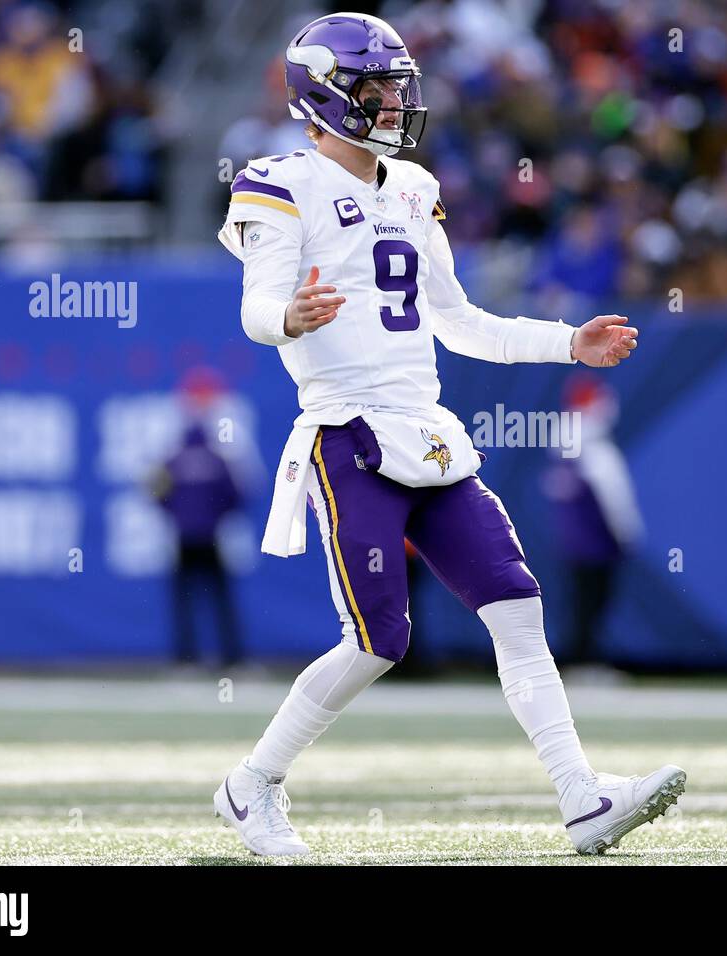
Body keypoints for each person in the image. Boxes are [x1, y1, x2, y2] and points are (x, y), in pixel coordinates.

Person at [211, 13, 684, 857]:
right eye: (374, 87)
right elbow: (254, 307)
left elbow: (459, 322)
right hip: (348, 431)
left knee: (517, 604)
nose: (393, 100)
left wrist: (565, 341)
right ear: (324, 95)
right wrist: (286, 316)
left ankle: (581, 797)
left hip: (427, 433)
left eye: (396, 84)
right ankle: (251, 786)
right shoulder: (281, 182)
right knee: (377, 641)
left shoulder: (413, 187)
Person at [541, 373, 643, 679]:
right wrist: (627, 534)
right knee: (593, 601)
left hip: (573, 539)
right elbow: (615, 499)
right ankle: (583, 660)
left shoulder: (563, 444)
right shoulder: (595, 449)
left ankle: (579, 658)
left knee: (580, 601)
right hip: (598, 540)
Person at [150, 423, 245, 667]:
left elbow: (157, 494)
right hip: (211, 538)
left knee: (184, 601)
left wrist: (179, 515)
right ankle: (231, 658)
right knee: (220, 601)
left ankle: (185, 659)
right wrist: (214, 517)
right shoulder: (217, 461)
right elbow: (235, 496)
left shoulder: (172, 462)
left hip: (184, 540)